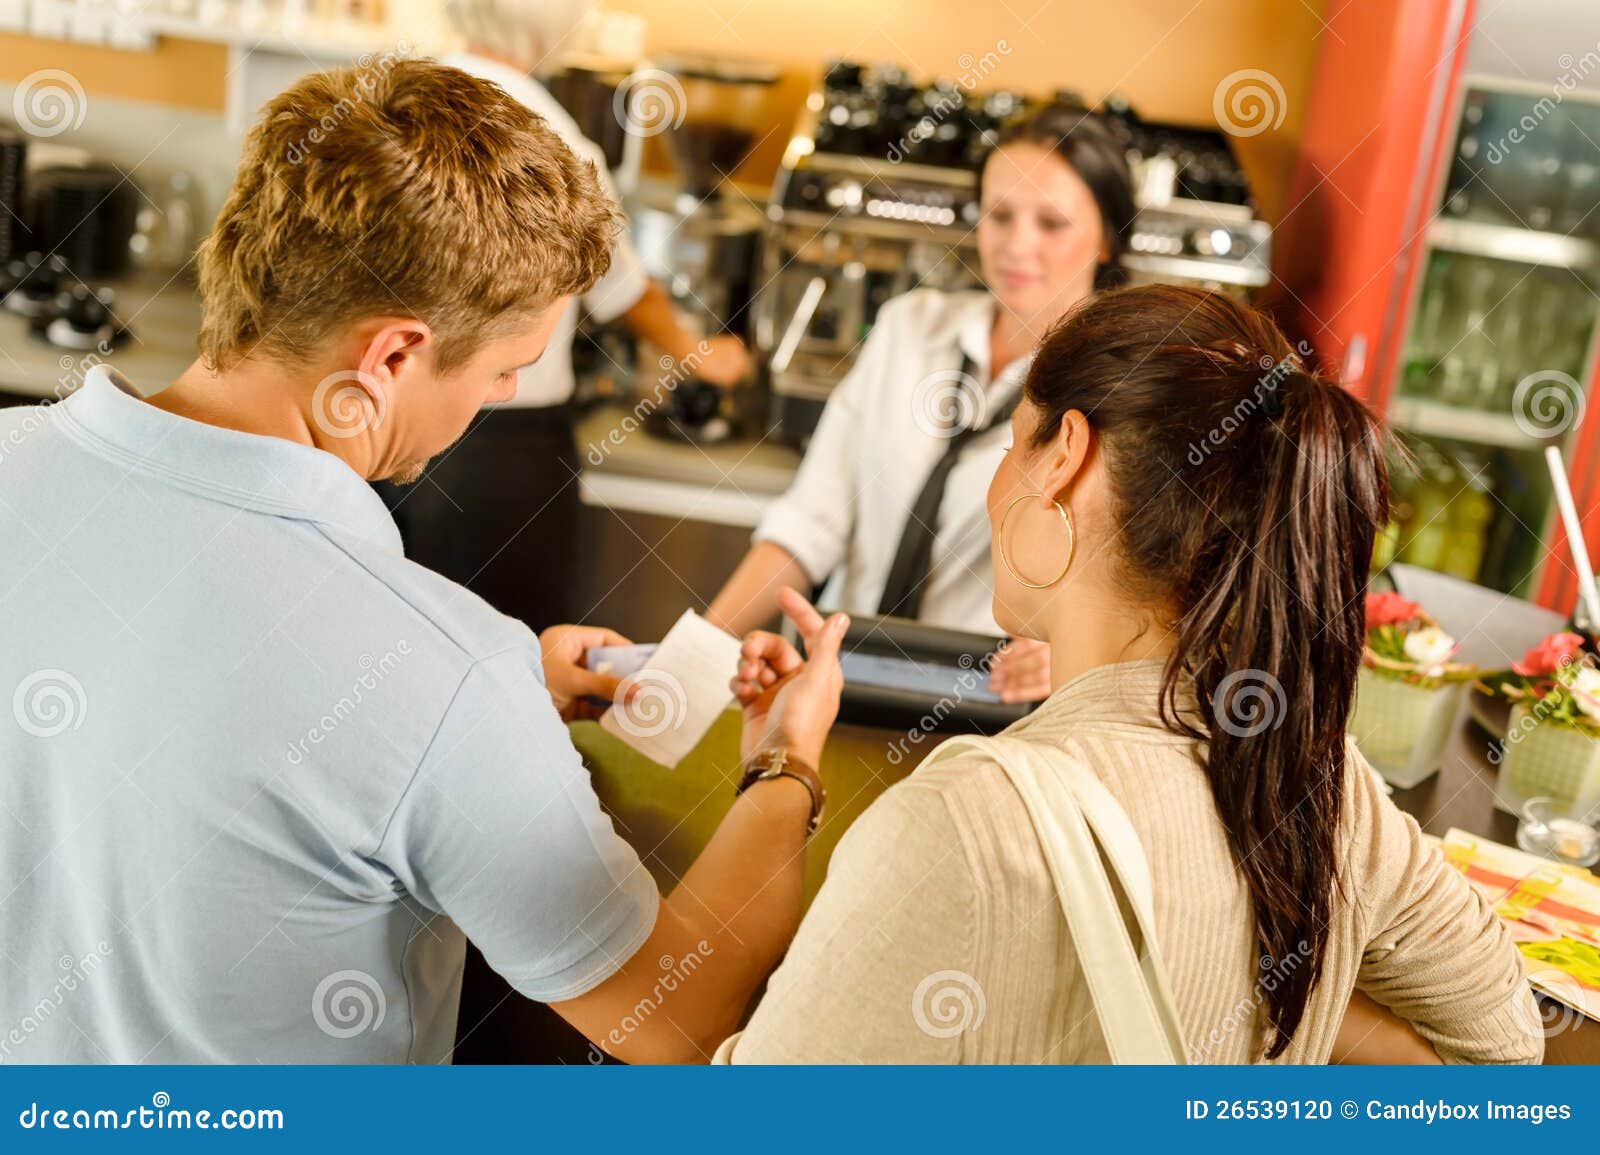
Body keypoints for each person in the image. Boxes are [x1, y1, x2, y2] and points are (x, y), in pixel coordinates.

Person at [0, 60, 838, 1065]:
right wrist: (782, 761)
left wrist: (483, 688)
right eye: (502, 373)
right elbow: (678, 1013)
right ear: (392, 357)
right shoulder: (442, 674)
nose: (489, 404)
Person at [719, 285, 1544, 1064]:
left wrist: (783, 763)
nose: (996, 488)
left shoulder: (961, 826)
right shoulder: (1323, 790)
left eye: (1013, 445)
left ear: (1063, 460)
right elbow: (1508, 1047)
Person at [707, 103, 1136, 705]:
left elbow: (1140, 592)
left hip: (984, 708)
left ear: (1107, 241)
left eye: (1051, 223)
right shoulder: (908, 327)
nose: (1016, 245)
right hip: (834, 677)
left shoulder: (1122, 390)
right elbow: (812, 519)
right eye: (1000, 215)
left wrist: (1073, 647)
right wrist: (698, 653)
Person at [388, 0, 751, 633]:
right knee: (505, 656)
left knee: (388, 642)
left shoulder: (392, 109)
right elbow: (619, 292)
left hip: (384, 426)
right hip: (502, 455)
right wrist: (700, 352)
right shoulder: (555, 140)